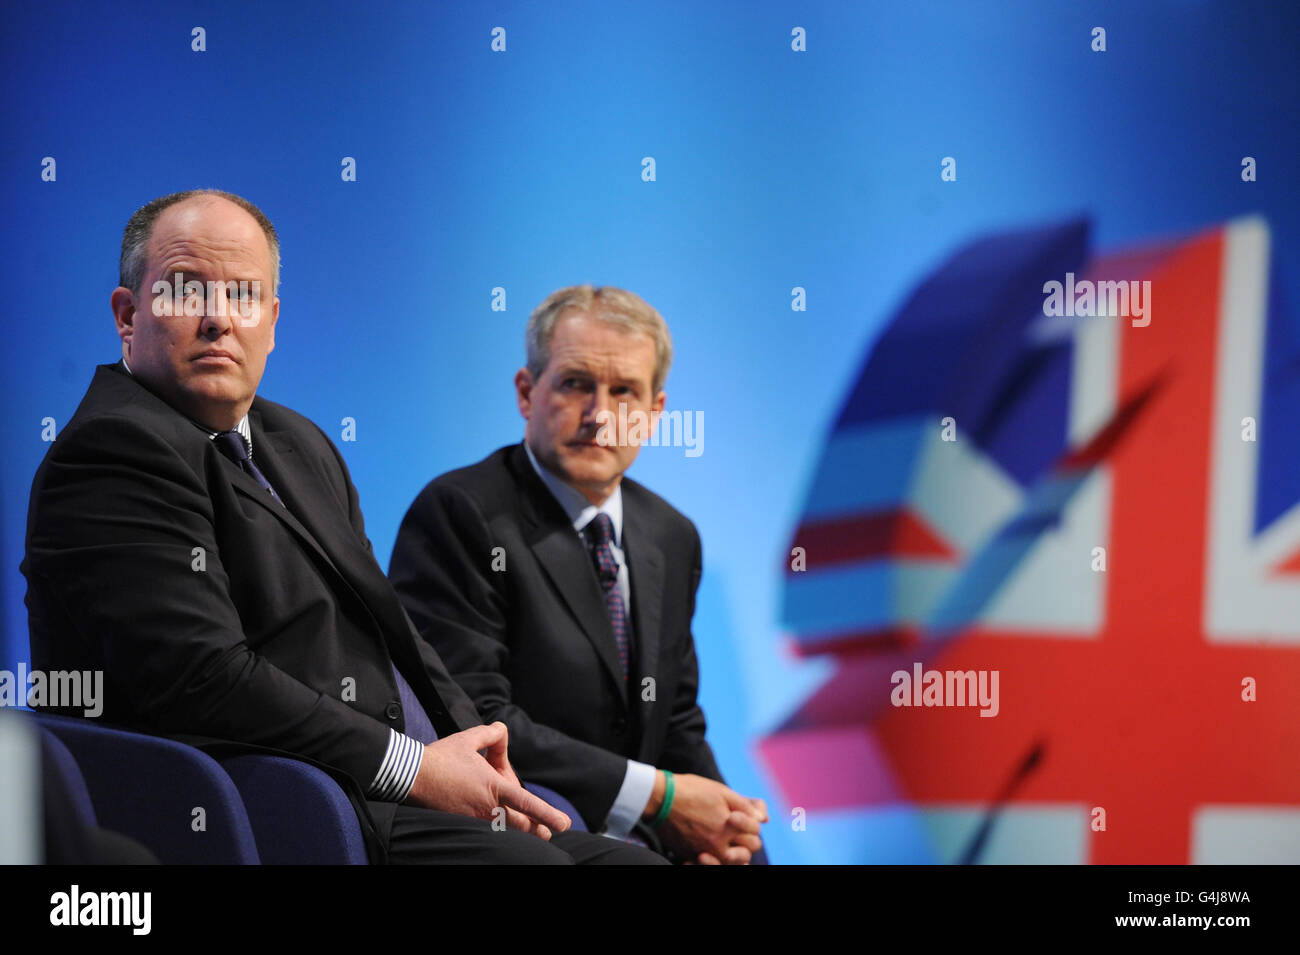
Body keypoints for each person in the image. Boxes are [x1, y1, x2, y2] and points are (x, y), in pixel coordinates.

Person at [22, 191, 663, 864]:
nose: (217, 319)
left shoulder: (297, 440)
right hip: (271, 802)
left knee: (633, 862)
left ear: (270, 321)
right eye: (185, 292)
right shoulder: (110, 451)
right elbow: (203, 678)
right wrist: (413, 768)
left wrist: (480, 757)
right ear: (128, 315)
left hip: (375, 791)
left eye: (244, 295)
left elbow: (394, 633)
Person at [389, 285, 769, 863]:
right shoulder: (462, 513)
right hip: (525, 817)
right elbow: (476, 718)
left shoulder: (671, 534)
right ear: (526, 392)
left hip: (636, 827)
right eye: (575, 384)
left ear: (655, 412)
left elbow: (678, 722)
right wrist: (661, 797)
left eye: (624, 392)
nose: (599, 416)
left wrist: (725, 821)